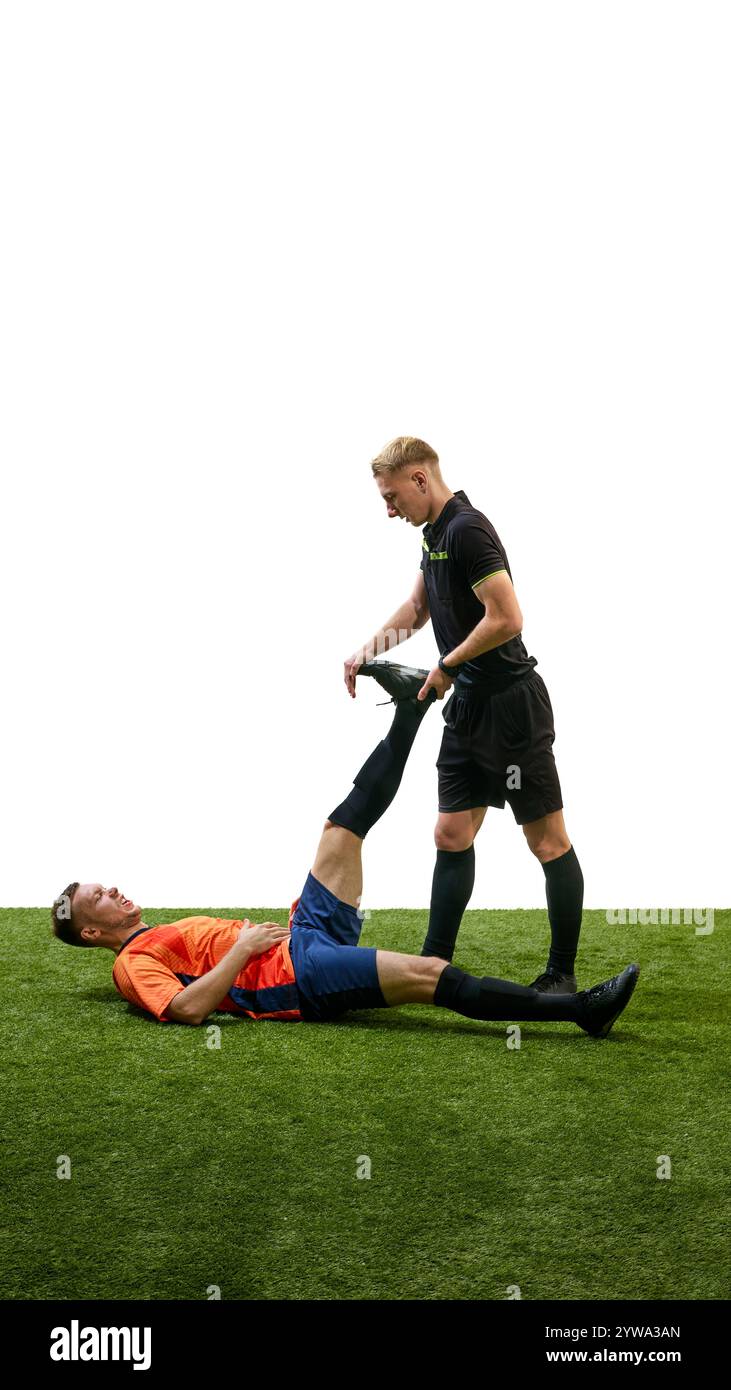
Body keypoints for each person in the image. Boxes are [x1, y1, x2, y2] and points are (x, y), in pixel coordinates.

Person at [51, 667, 638, 1038]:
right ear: (92, 934)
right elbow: (185, 1010)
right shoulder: (130, 965)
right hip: (299, 975)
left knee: (340, 828)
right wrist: (245, 950)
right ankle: (578, 1010)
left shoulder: (154, 933)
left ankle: (411, 709)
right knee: (430, 976)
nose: (112, 890)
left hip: (301, 933)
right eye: (98, 898)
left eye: (103, 884)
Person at [345, 435, 583, 993]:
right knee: (451, 834)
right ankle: (434, 965)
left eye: (392, 496)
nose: (389, 510)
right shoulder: (433, 535)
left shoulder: (467, 530)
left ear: (421, 480)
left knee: (546, 841)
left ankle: (562, 975)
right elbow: (418, 608)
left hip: (512, 708)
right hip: (468, 708)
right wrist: (367, 651)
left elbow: (508, 618)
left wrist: (446, 666)